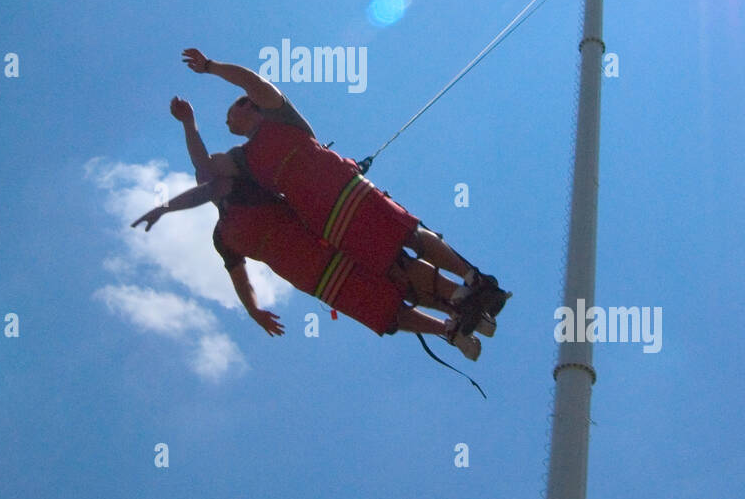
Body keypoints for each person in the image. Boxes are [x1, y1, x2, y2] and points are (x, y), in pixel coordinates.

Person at [180, 47, 507, 333]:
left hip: (345, 189)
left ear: (248, 106)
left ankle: (474, 278)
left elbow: (250, 80)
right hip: (326, 219)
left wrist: (210, 66)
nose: (227, 123)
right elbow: (205, 170)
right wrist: (188, 124)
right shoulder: (243, 160)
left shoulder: (278, 114)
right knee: (391, 262)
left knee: (407, 233)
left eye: (230, 114)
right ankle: (459, 301)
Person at [131, 98, 487, 358]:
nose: (208, 181)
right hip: (317, 274)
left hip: (332, 239)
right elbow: (240, 279)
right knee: (383, 309)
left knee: (398, 266)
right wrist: (255, 311)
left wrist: (188, 125)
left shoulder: (250, 185)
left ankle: (463, 296)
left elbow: (206, 168)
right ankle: (450, 327)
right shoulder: (223, 236)